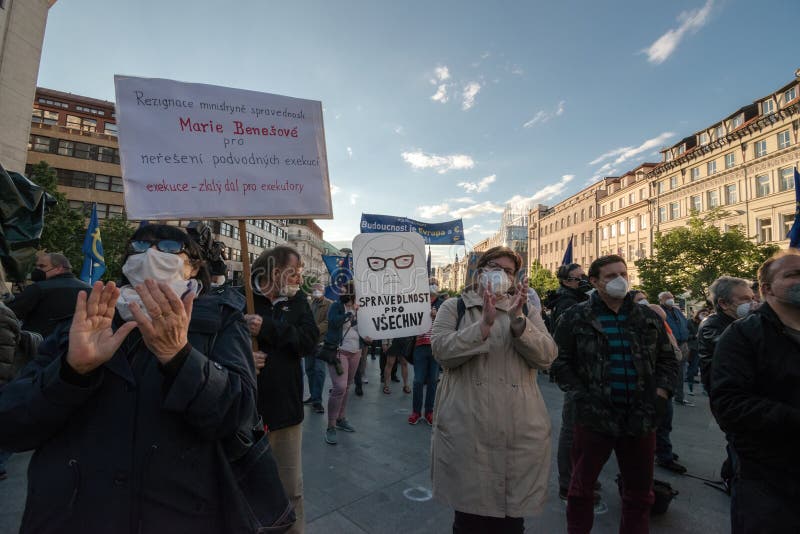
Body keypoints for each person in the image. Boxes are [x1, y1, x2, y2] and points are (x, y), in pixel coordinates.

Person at [0, 224, 258, 533]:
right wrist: (71, 372)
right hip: (73, 518)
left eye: (167, 246)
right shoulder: (86, 321)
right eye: (138, 246)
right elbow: (11, 425)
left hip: (180, 516)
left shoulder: (223, 322)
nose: (149, 254)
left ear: (193, 267)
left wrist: (180, 358)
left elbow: (239, 418)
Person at [431, 246, 557, 533]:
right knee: (469, 520)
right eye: (494, 267)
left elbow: (548, 356)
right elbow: (441, 352)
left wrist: (518, 323)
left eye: (509, 271)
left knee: (512, 519)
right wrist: (483, 326)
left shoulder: (527, 309)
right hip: (469, 426)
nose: (502, 275)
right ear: (481, 271)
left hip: (518, 427)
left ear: (515, 278)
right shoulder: (455, 307)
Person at [552, 255, 678, 534]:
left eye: (623, 273)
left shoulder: (647, 317)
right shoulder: (576, 316)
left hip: (640, 419)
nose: (619, 280)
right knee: (581, 489)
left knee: (639, 494)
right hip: (593, 419)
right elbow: (558, 361)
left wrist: (660, 393)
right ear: (594, 281)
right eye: (610, 276)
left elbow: (668, 360)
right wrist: (582, 396)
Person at [711, 250, 800, 533]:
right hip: (768, 476)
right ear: (766, 288)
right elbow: (729, 405)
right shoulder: (742, 335)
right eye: (792, 275)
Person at [245, 246, 318, 534]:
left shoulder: (298, 301)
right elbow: (216, 343)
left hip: (287, 413)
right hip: (246, 414)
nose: (300, 279)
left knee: (291, 489)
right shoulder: (241, 299)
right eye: (295, 272)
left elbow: (309, 341)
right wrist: (242, 354)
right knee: (246, 489)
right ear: (275, 272)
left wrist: (268, 328)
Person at [548, 263, 594, 502]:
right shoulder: (568, 304)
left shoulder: (580, 298)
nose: (584, 280)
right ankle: (568, 483)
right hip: (578, 376)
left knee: (586, 432)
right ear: (566, 281)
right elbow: (562, 346)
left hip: (592, 376)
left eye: (585, 276)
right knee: (571, 432)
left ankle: (583, 479)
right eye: (578, 278)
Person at [7, 253, 91, 338]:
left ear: (58, 268)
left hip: (40, 345)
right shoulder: (90, 290)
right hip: (76, 343)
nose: (37, 269)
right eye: (36, 266)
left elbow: (9, 313)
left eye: (42, 266)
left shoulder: (38, 288)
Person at [323, 285, 367, 445]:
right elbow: (333, 323)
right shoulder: (337, 306)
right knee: (340, 387)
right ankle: (331, 426)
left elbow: (364, 327)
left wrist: (368, 337)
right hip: (339, 351)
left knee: (347, 386)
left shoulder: (361, 308)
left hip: (356, 351)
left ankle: (341, 418)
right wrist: (350, 313)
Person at [648, 304, 688, 474]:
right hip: (653, 386)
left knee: (665, 422)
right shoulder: (647, 329)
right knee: (659, 422)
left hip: (664, 384)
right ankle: (663, 455)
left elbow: (673, 355)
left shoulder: (665, 329)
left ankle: (663, 451)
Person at [698, 276, 755, 394]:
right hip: (728, 392)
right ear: (723, 303)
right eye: (745, 299)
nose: (752, 303)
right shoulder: (710, 325)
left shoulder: (740, 321)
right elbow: (736, 349)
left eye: (752, 298)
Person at [407, 278, 444, 424]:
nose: (432, 285)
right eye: (430, 283)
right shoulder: (417, 303)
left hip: (435, 347)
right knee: (417, 381)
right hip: (420, 346)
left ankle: (429, 411)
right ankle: (416, 412)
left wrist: (437, 316)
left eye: (434, 283)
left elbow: (448, 324)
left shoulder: (443, 305)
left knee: (433, 381)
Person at [658, 291, 692, 406]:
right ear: (661, 300)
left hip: (683, 344)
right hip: (671, 345)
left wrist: (688, 336)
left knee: (681, 372)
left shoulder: (677, 311)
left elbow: (685, 324)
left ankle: (679, 396)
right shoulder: (659, 311)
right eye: (667, 297)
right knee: (671, 371)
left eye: (671, 297)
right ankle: (666, 396)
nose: (670, 299)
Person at [304, 282, 331, 414]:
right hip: (309, 343)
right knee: (309, 370)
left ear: (323, 291)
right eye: (314, 290)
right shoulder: (310, 303)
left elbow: (328, 322)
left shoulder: (329, 304)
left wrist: (314, 330)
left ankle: (317, 401)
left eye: (318, 290)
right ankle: (313, 396)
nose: (316, 292)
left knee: (319, 372)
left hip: (320, 343)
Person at [685, 309, 709, 395]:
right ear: (698, 313)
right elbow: (686, 335)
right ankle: (690, 388)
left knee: (703, 368)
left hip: (703, 348)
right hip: (693, 347)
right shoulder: (690, 322)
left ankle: (705, 388)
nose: (705, 315)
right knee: (693, 367)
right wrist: (694, 336)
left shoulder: (705, 322)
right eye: (703, 313)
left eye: (706, 314)